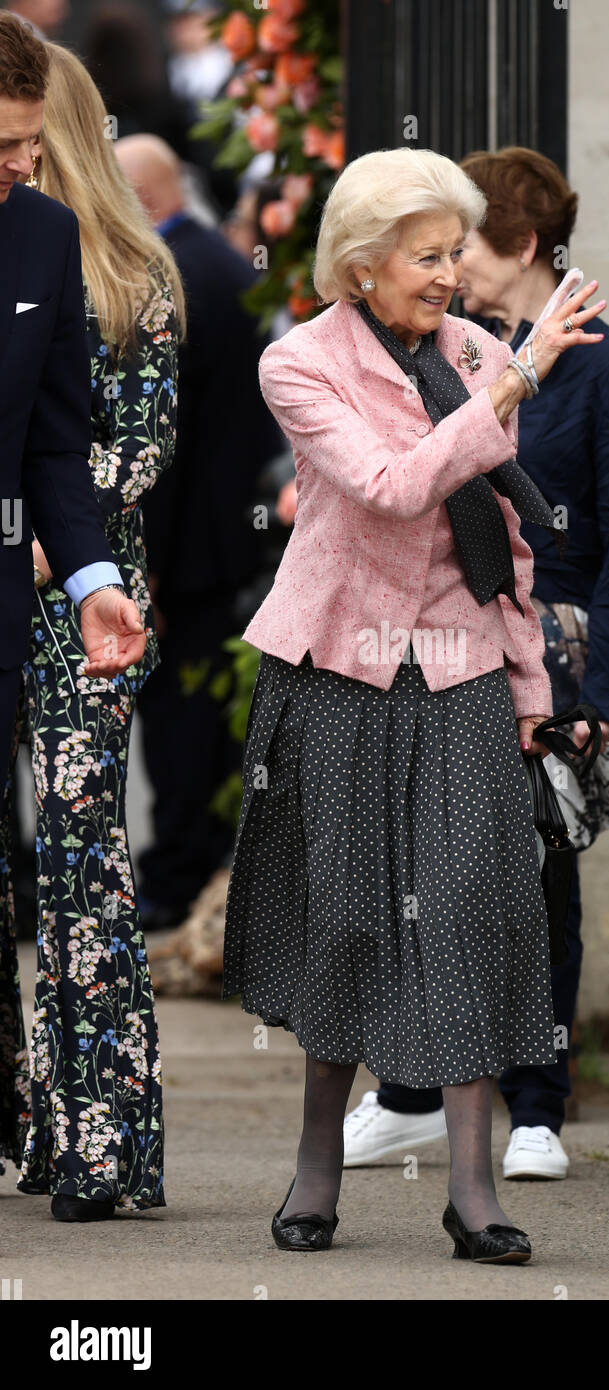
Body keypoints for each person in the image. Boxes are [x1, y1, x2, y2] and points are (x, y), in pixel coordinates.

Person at [222, 145, 606, 1263]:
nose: (452, 276)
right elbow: (393, 490)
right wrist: (510, 384)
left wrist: (531, 686)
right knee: (344, 911)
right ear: (361, 261)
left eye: (456, 253)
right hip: (339, 665)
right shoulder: (299, 363)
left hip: (462, 670)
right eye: (427, 256)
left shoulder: (482, 352)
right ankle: (317, 1166)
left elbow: (511, 544)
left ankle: (474, 1188)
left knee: (475, 905)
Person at [344, 146, 609, 1181]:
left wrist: (606, 690)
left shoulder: (606, 365)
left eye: (463, 244)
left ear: (521, 245)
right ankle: (405, 1091)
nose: (444, 267)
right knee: (411, 870)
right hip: (435, 635)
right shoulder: (441, 349)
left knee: (534, 883)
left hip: (547, 645)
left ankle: (537, 1105)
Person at [0, 34, 184, 1221]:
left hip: (73, 600)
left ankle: (99, 1144)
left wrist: (81, 563)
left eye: (29, 139)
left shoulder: (97, 255)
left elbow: (86, 446)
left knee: (81, 877)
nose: (21, 161)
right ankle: (33, 1123)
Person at [114, 133, 279, 929]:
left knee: (179, 728)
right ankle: (188, 866)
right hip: (218, 539)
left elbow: (160, 443)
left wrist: (140, 568)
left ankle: (173, 879)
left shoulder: (173, 277)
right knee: (197, 727)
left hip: (186, 552)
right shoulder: (213, 259)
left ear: (141, 199)